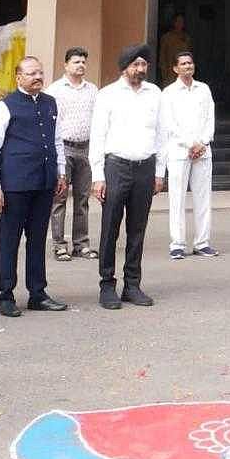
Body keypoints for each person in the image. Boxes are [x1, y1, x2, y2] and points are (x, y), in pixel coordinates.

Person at [0, 56, 68, 317]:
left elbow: (56, 140)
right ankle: (6, 295)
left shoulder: (50, 102)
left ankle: (38, 293)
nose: (37, 77)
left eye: (40, 72)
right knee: (9, 241)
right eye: (31, 73)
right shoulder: (4, 107)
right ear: (18, 77)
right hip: (15, 185)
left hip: (43, 183)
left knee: (37, 240)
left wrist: (61, 172)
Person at [91, 44, 166, 310]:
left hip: (145, 168)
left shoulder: (154, 94)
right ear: (125, 67)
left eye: (144, 64)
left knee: (137, 229)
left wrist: (159, 172)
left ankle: (132, 285)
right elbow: (98, 137)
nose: (141, 69)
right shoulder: (107, 95)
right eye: (136, 64)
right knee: (110, 227)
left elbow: (161, 134)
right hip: (116, 167)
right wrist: (98, 176)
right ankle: (107, 285)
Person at [161, 51, 217, 258]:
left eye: (190, 63)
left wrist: (202, 142)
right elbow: (169, 123)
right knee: (177, 198)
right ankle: (177, 243)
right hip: (179, 150)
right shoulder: (168, 93)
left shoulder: (203, 89)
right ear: (175, 68)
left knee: (203, 197)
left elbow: (210, 118)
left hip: (202, 150)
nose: (188, 66)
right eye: (183, 64)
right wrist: (189, 143)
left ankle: (202, 242)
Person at [45, 46, 98, 262]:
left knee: (83, 199)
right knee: (59, 198)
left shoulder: (92, 90)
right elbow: (49, 122)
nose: (81, 65)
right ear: (65, 65)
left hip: (86, 148)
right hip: (63, 149)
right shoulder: (55, 90)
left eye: (84, 62)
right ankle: (59, 244)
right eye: (76, 62)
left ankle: (81, 244)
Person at [159, 13, 192, 86]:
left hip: (184, 72)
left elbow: (190, 56)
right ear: (174, 23)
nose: (180, 24)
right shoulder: (166, 38)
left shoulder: (186, 38)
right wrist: (164, 75)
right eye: (178, 21)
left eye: (182, 22)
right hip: (170, 74)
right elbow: (162, 58)